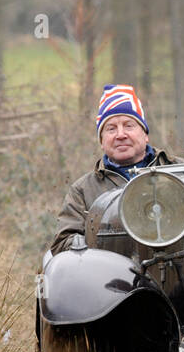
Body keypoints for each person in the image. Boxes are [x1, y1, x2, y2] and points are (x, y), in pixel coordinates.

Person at [49, 84, 174, 255]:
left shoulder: (182, 172)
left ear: (145, 134)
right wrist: (107, 238)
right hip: (115, 279)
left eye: (129, 125)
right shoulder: (83, 191)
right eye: (111, 129)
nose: (120, 135)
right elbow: (61, 245)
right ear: (101, 141)